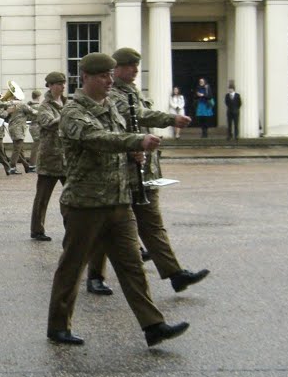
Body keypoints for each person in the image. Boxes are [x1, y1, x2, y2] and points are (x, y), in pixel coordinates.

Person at [46, 52, 191, 348]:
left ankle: (153, 325)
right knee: (72, 267)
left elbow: (120, 133)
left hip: (118, 200)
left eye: (111, 76)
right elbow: (98, 139)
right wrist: (135, 142)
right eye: (103, 76)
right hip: (85, 204)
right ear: (86, 77)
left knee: (132, 266)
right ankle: (58, 326)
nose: (109, 81)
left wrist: (132, 152)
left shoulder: (112, 103)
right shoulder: (73, 112)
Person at [83, 48, 208, 297]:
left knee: (152, 224)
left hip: (143, 170)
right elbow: (125, 124)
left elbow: (141, 116)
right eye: (130, 66)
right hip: (121, 170)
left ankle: (175, 274)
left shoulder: (132, 92)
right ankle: (95, 275)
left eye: (136, 66)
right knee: (105, 226)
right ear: (116, 69)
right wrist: (168, 120)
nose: (135, 71)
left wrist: (167, 122)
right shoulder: (112, 95)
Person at [30, 72, 68, 242]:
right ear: (50, 86)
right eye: (59, 83)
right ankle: (37, 229)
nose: (62, 86)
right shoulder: (45, 106)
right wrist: (66, 115)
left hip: (66, 157)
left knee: (72, 196)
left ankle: (73, 227)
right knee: (43, 197)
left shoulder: (66, 103)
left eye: (63, 83)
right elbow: (48, 123)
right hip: (49, 157)